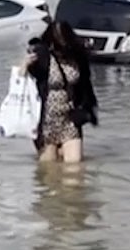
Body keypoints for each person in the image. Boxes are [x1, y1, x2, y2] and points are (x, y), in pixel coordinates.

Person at [24, 20, 99, 163]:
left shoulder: (77, 58)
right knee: (49, 170)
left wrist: (88, 110)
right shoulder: (43, 57)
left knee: (74, 166)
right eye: (59, 41)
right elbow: (22, 81)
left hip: (70, 118)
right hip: (47, 120)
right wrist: (24, 65)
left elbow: (86, 86)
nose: (63, 45)